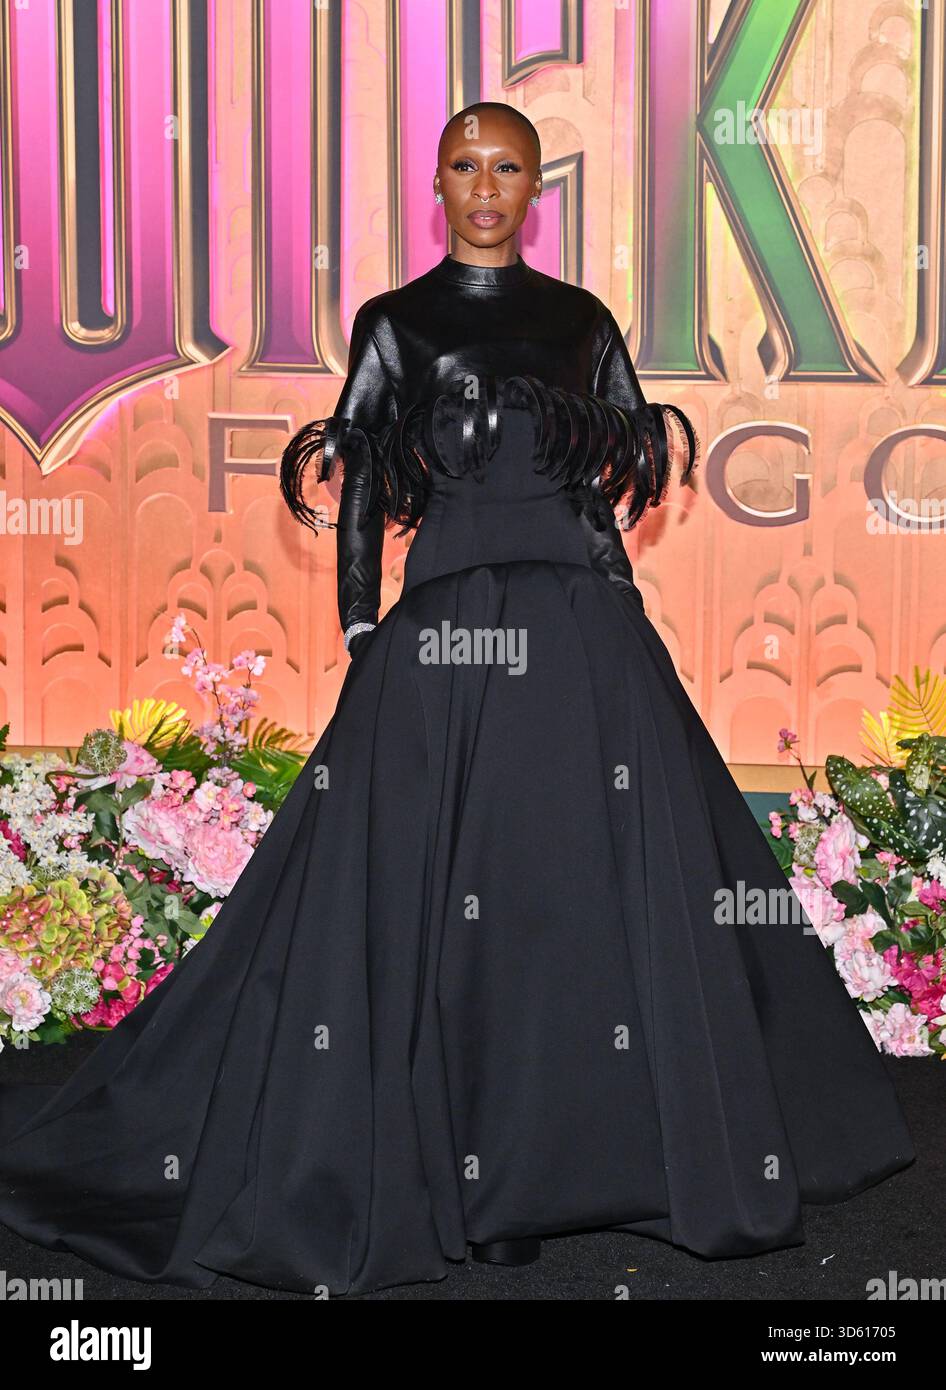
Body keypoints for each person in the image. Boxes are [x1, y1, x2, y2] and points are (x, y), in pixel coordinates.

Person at [0, 103, 914, 1299]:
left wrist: (618, 616)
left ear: (536, 185)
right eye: (466, 166)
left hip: (581, 638)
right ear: (438, 181)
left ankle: (585, 1164)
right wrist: (365, 628)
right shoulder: (397, 324)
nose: (487, 186)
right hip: (438, 646)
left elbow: (608, 486)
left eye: (509, 168)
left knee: (568, 904)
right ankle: (468, 1179)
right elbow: (367, 486)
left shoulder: (579, 321)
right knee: (440, 904)